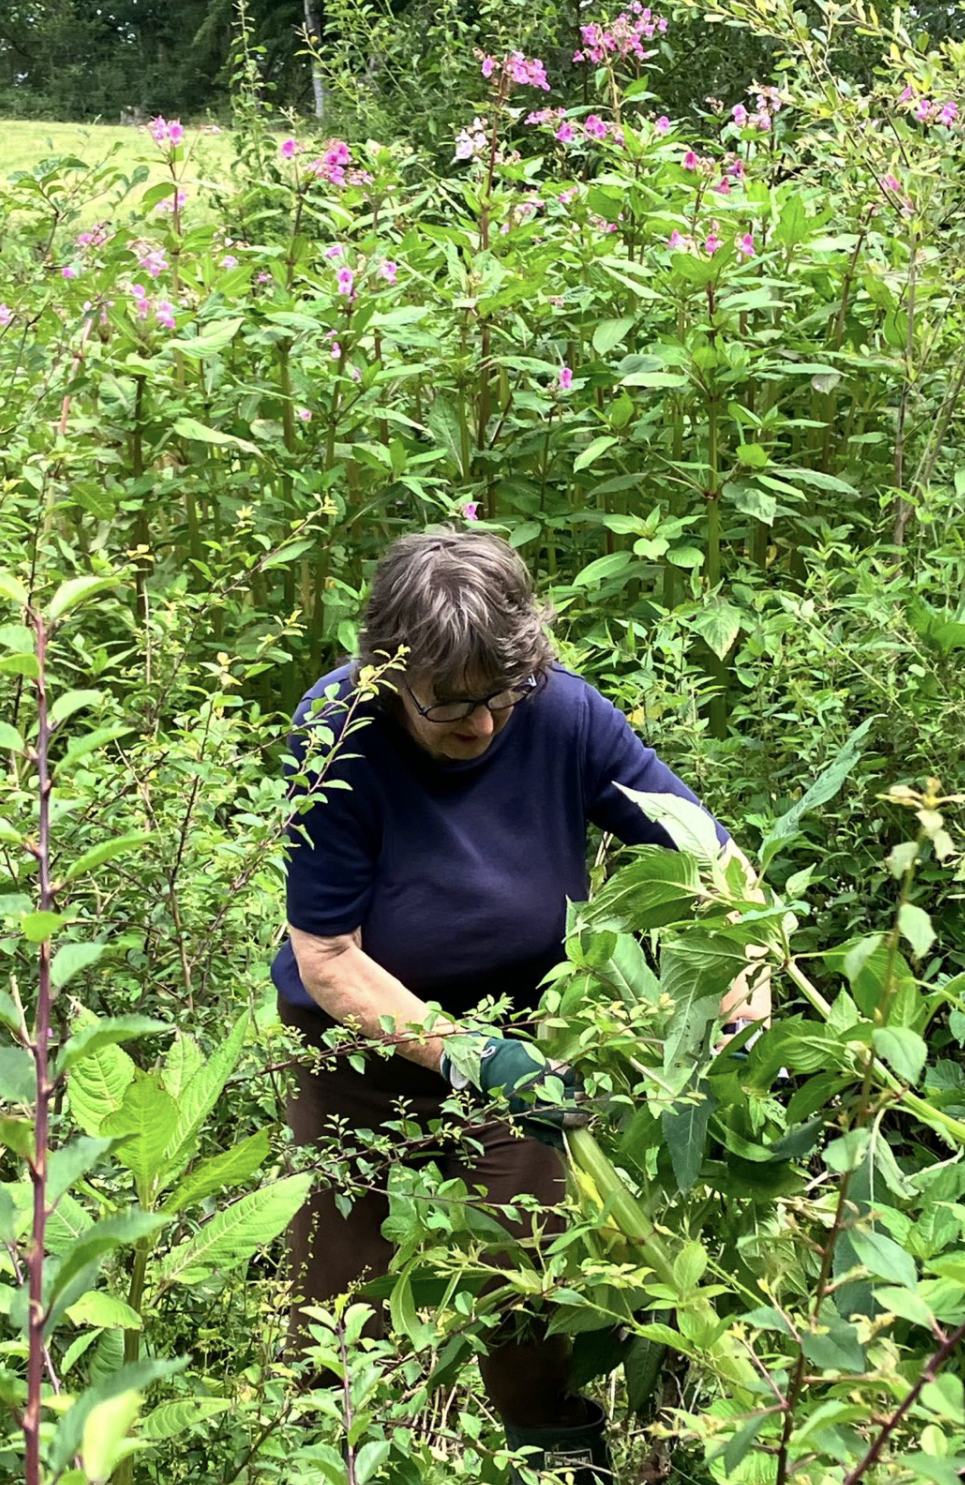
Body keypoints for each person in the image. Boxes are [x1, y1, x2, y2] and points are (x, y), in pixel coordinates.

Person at [271, 529, 770, 1483]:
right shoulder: (337, 727)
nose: (482, 727)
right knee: (333, 1293)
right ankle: (313, 1455)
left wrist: (744, 957)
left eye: (500, 696)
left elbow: (702, 845)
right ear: (388, 674)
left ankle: (562, 1463)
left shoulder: (562, 710)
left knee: (535, 1279)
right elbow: (329, 957)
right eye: (450, 704)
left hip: (527, 1035)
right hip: (360, 1047)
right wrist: (467, 1053)